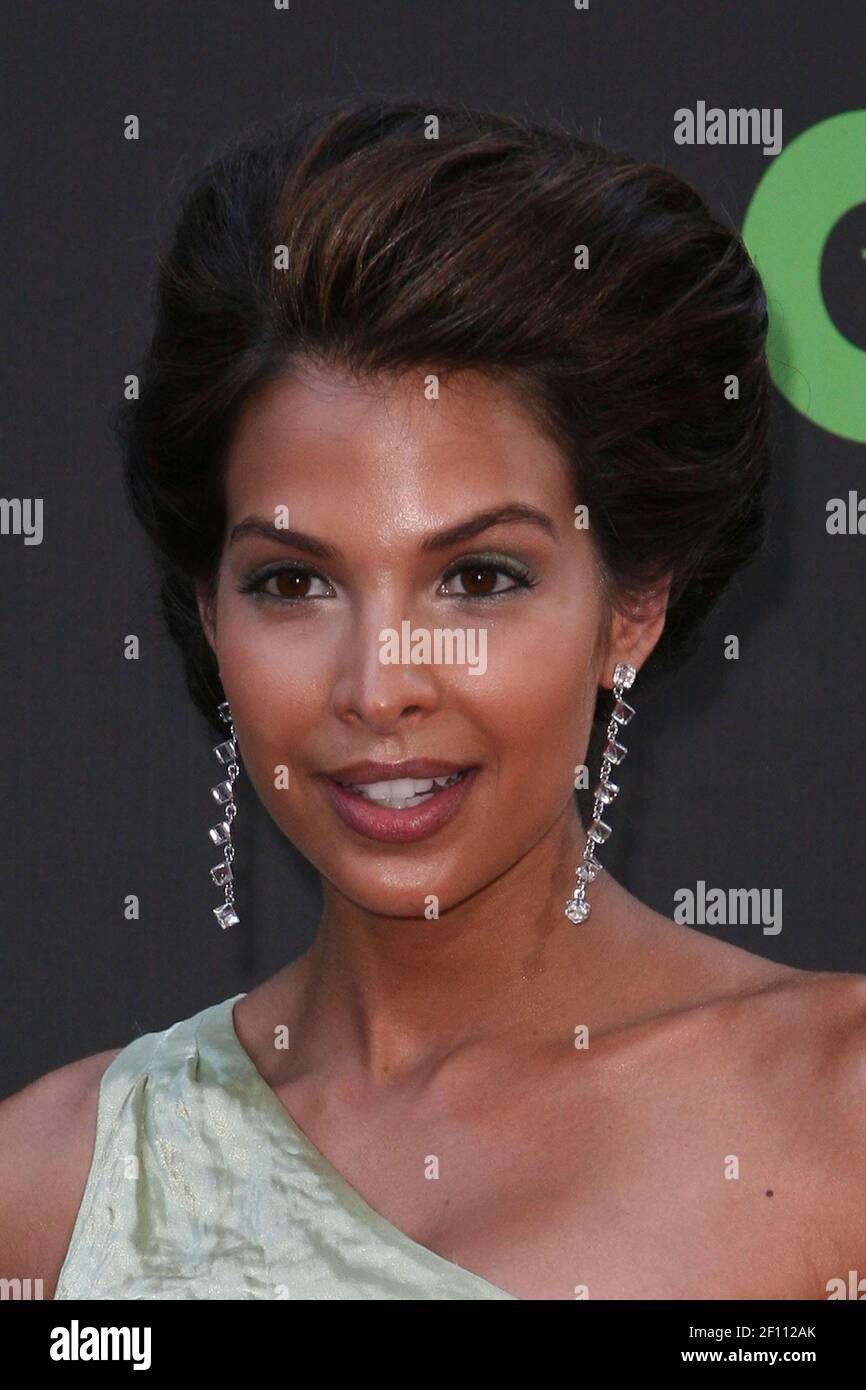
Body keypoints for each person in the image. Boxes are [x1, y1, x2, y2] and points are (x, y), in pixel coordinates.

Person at [2, 98, 864, 1301]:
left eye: (477, 577)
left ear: (630, 604)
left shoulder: (836, 1124)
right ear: (209, 612)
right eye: (292, 581)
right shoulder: (53, 1191)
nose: (378, 684)